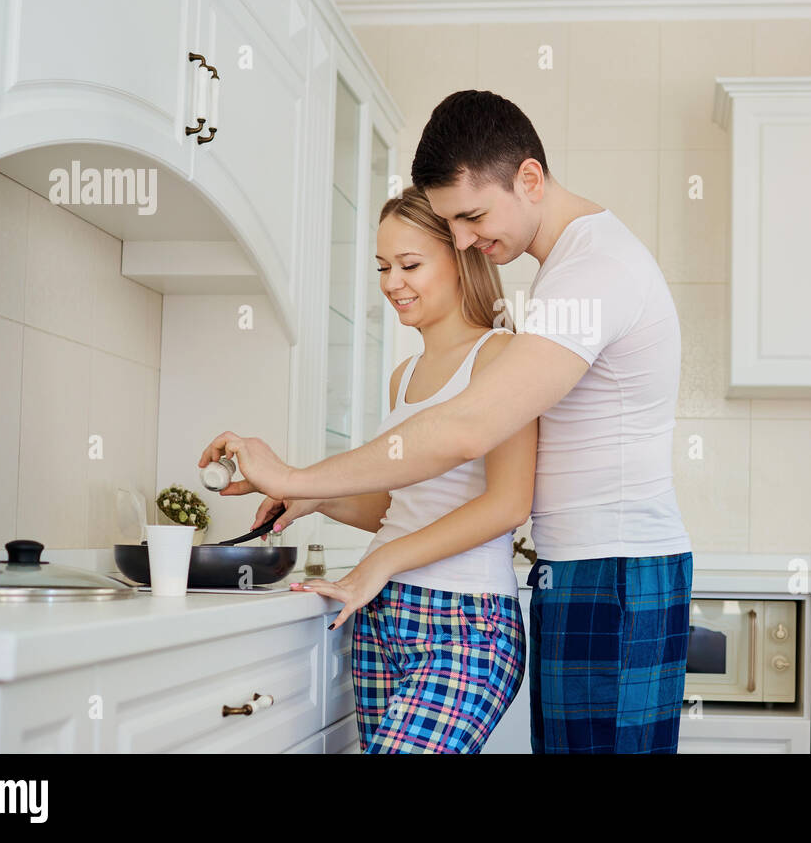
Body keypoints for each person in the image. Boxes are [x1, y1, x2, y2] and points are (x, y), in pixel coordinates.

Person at [200, 89, 692, 754]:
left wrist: (296, 474)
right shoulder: (563, 272)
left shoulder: (593, 273)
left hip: (618, 568)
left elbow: (466, 429)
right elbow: (435, 471)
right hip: (579, 564)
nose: (465, 241)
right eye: (451, 225)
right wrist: (308, 493)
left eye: (472, 216)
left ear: (530, 178)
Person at [249, 186, 536, 753]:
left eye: (409, 265)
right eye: (383, 267)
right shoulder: (403, 375)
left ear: (462, 260)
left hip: (467, 623)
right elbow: (395, 508)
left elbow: (508, 504)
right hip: (382, 614)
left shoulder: (501, 356)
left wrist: (381, 561)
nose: (391, 283)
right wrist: (315, 499)